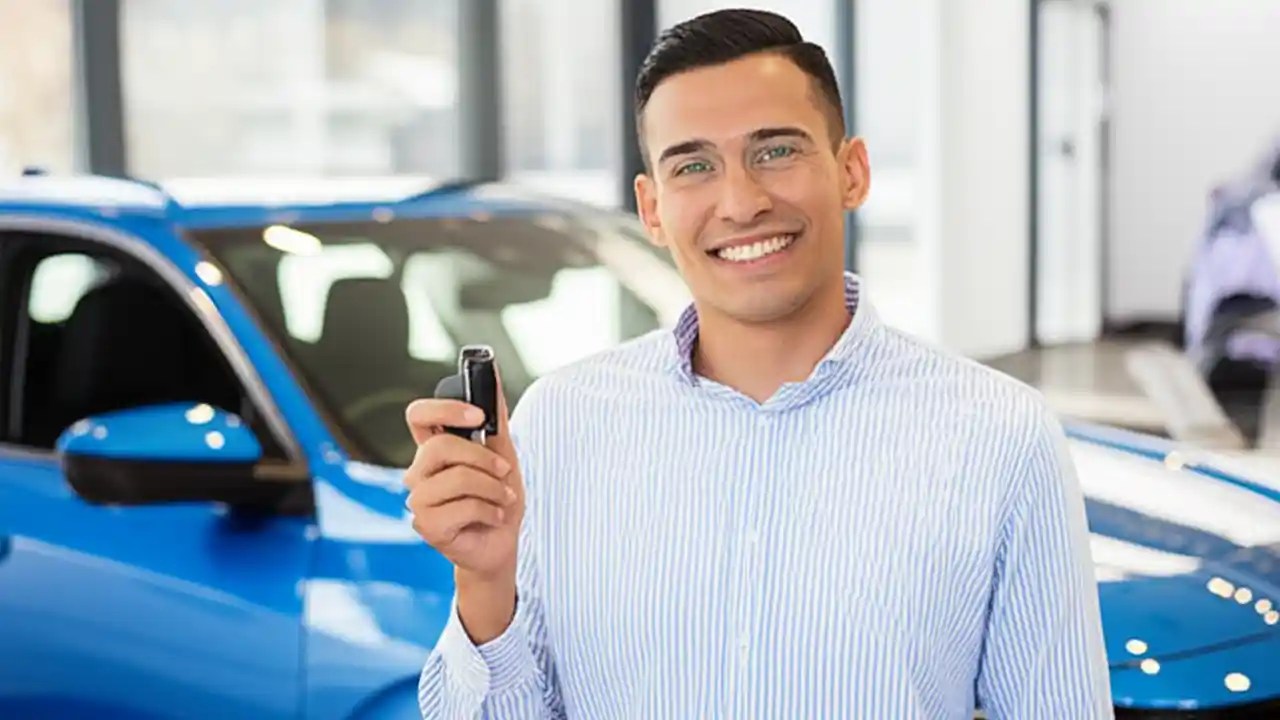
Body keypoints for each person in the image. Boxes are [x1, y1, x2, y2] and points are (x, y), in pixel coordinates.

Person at [405, 9, 1112, 718]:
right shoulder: (561, 424)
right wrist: (485, 582)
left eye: (775, 151)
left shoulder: (999, 435)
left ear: (852, 172)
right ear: (651, 208)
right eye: (694, 166)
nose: (741, 202)